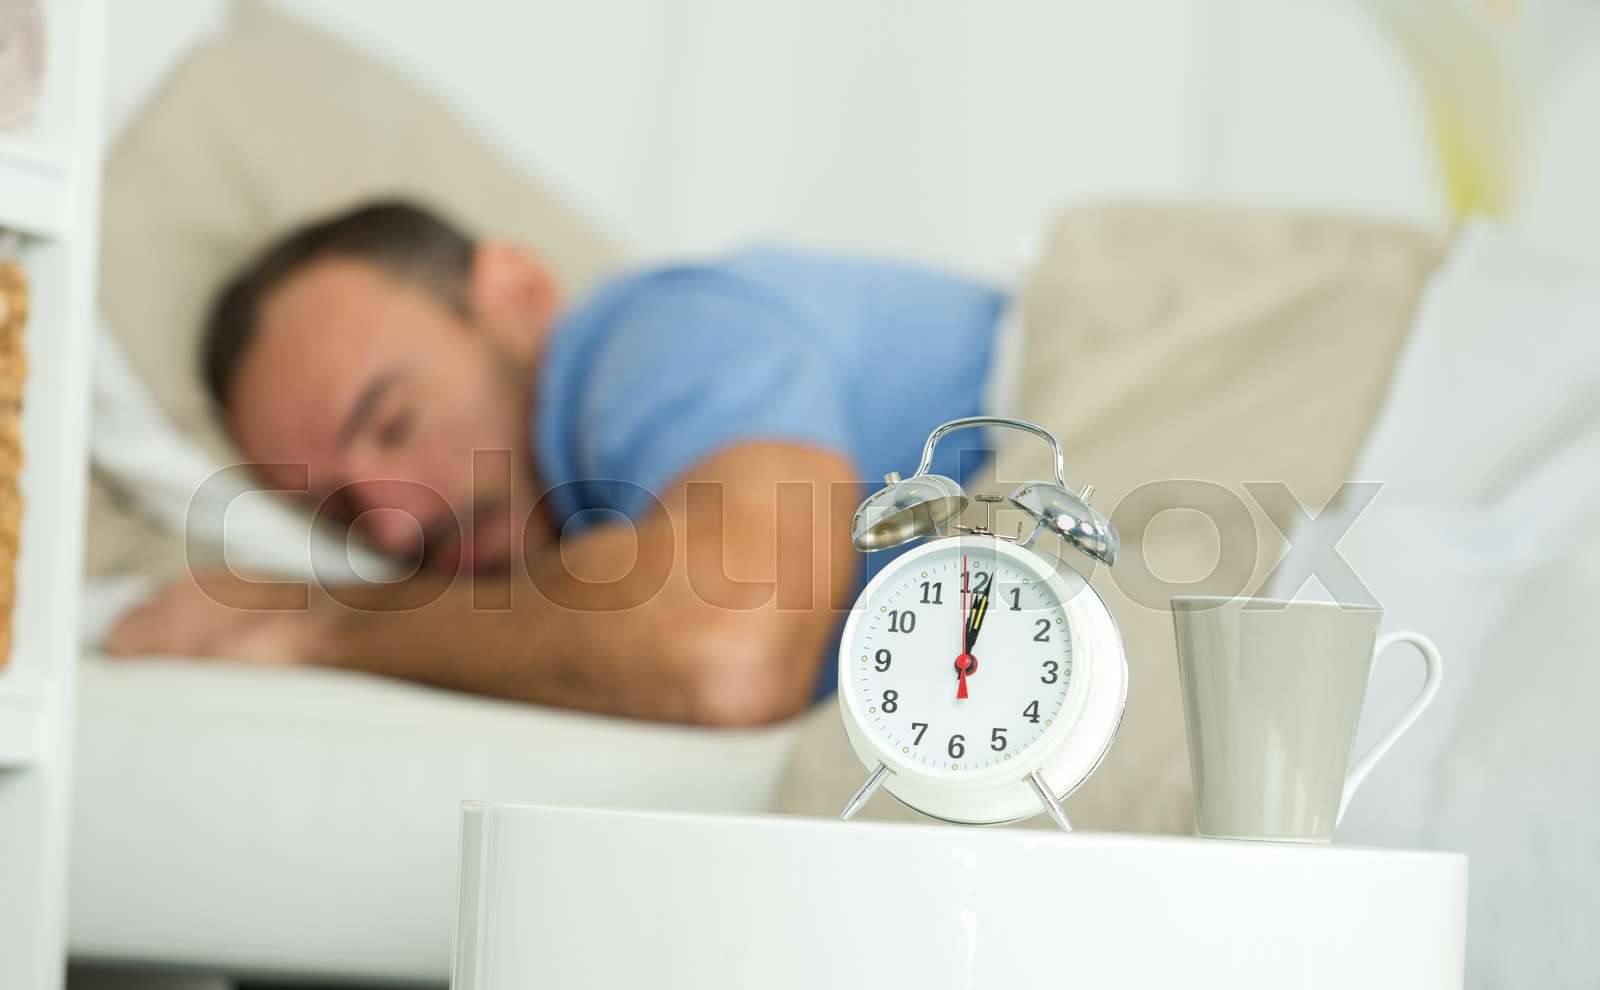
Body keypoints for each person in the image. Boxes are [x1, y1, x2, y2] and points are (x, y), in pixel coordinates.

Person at [108, 200, 1004, 726]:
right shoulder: (584, 549)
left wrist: (312, 625)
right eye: (339, 510)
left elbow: (724, 646)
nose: (388, 522)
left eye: (393, 421)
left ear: (516, 295)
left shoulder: (657, 333)